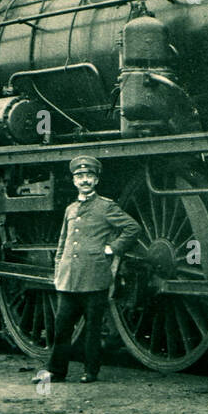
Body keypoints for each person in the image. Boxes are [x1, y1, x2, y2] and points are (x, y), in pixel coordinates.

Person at [32, 156, 141, 385]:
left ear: (96, 179)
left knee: (92, 329)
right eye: (80, 177)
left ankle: (90, 371)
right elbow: (63, 241)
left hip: (94, 276)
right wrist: (59, 268)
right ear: (74, 181)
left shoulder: (106, 206)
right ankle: (56, 371)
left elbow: (132, 228)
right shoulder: (71, 209)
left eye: (89, 176)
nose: (85, 180)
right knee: (61, 329)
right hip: (69, 278)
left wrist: (113, 248)